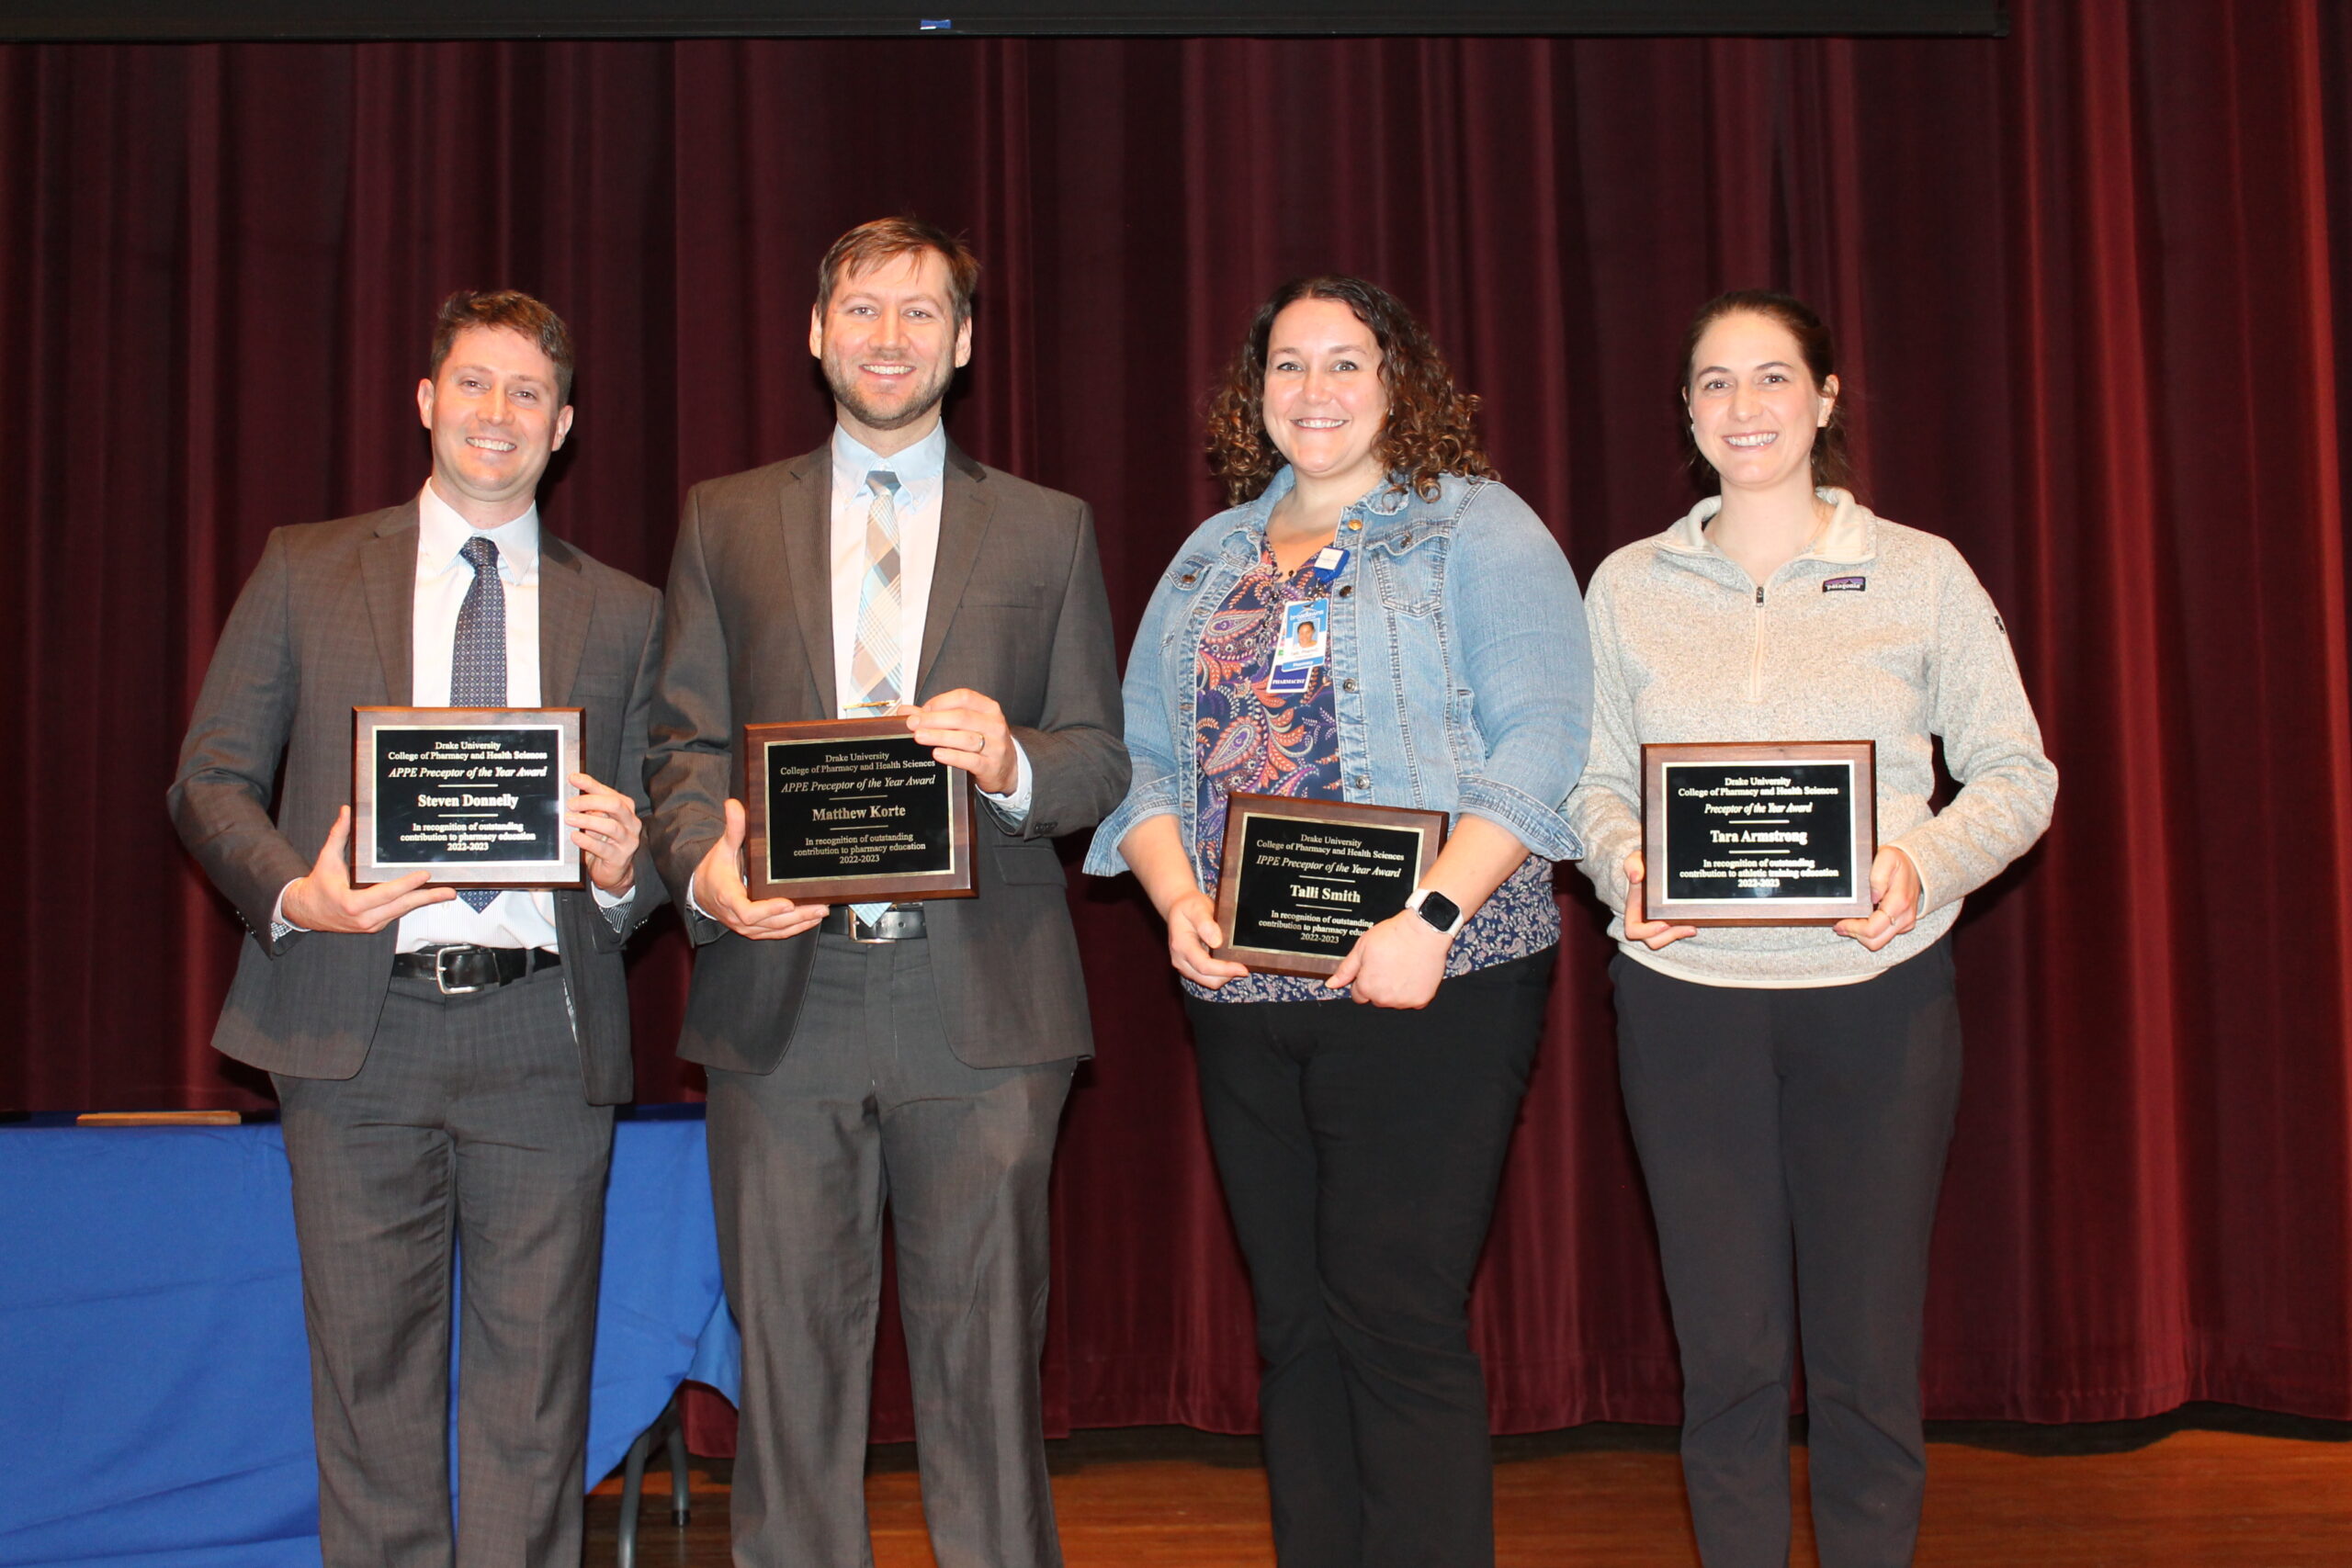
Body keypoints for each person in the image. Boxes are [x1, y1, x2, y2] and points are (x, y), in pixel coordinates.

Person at [1084, 276, 1591, 1568]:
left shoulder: (1477, 530)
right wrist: (1175, 898)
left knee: (1395, 1319)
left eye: (1347, 362)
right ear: (1254, 395)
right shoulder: (1208, 557)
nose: (1317, 391)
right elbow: (1141, 760)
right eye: (1289, 366)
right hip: (1248, 1003)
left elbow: (1543, 747)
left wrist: (1428, 916)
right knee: (1297, 1330)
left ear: (1399, 380)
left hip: (1436, 983)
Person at [644, 216, 1126, 1568]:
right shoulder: (723, 517)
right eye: (864, 308)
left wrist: (1018, 761)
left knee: (984, 1376)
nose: (890, 336)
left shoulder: (1047, 530)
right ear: (816, 332)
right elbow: (679, 744)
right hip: (780, 992)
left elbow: (1100, 757)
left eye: (922, 313)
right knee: (790, 1379)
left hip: (981, 1007)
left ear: (964, 345)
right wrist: (706, 867)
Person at [168, 289, 665, 1566]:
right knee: (370, 1388)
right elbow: (209, 778)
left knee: (536, 1394)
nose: (498, 415)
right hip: (355, 1026)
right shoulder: (305, 565)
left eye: (528, 395)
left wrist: (627, 870)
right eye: (475, 385)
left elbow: (663, 823)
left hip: (546, 1038)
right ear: (426, 399)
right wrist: (297, 893)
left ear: (565, 427)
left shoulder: (626, 609)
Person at [1566, 290, 2058, 1567]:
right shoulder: (1627, 584)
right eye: (1716, 383)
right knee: (1725, 1361)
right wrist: (1625, 865)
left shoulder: (1921, 571)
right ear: (1685, 411)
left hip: (1877, 1000)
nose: (1745, 408)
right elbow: (1587, 782)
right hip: (1686, 1011)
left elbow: (2019, 773)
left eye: (1773, 378)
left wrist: (1920, 860)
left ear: (1826, 399)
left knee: (1863, 1357)